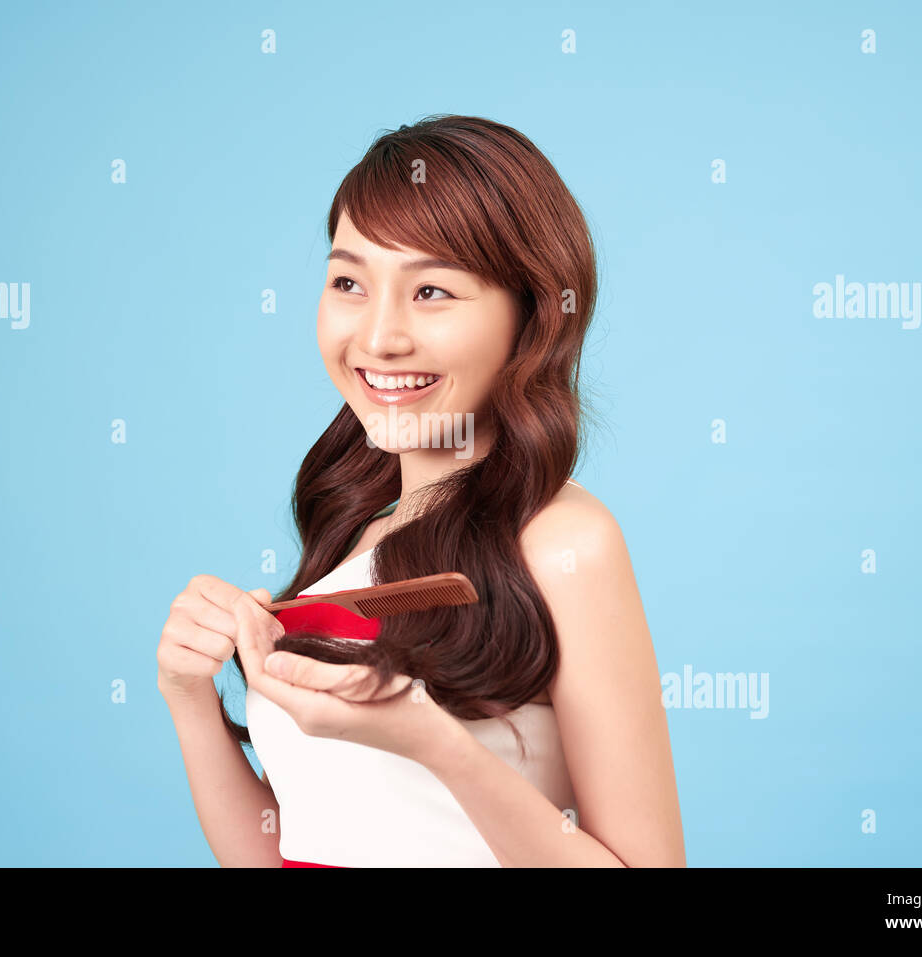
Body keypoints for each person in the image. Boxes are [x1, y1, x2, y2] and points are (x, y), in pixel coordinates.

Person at [157, 114, 685, 867]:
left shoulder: (565, 541)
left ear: (530, 316)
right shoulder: (353, 532)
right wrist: (189, 700)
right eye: (348, 282)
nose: (378, 337)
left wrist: (438, 745)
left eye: (431, 290)